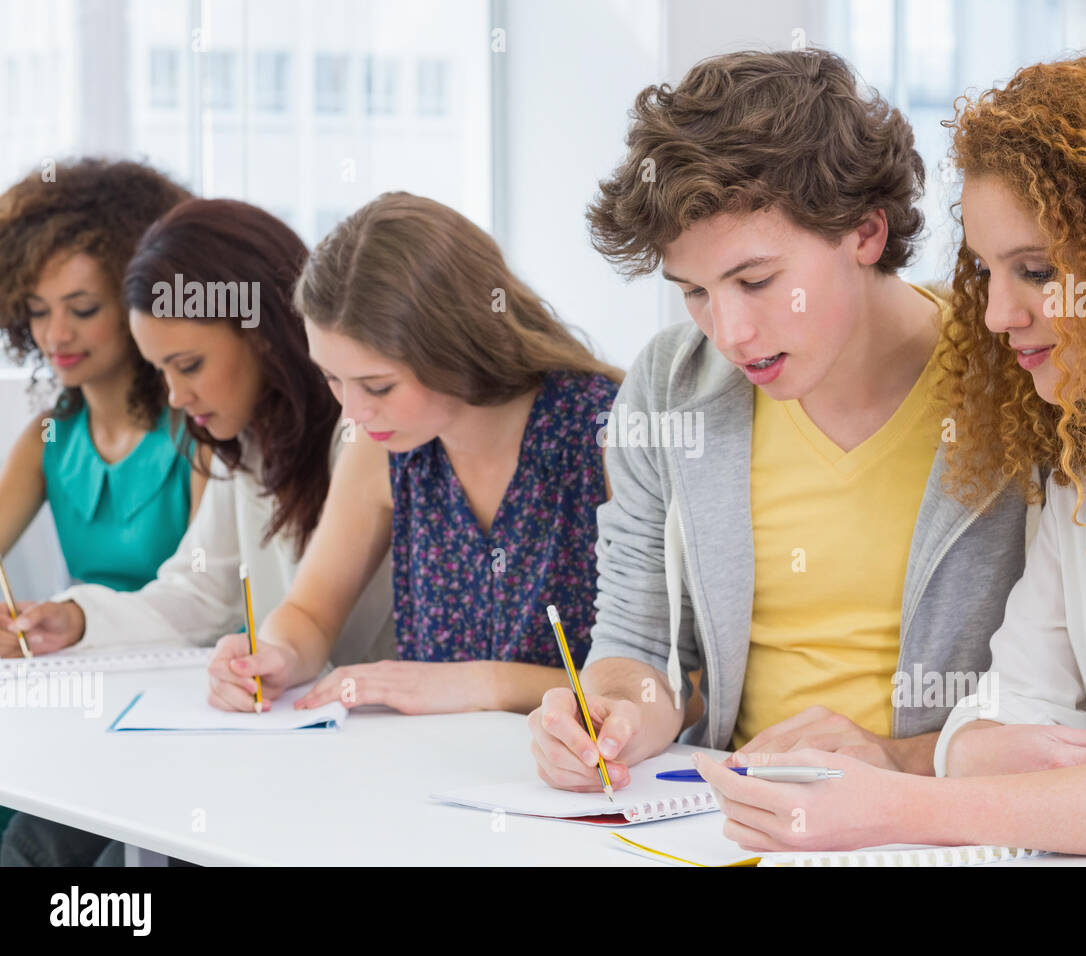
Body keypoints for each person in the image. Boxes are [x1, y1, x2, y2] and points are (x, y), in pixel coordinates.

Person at [696, 57, 1086, 858]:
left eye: (1037, 272)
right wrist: (954, 758)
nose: (995, 313)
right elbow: (1001, 715)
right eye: (986, 272)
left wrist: (900, 806)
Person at [528, 48, 1032, 793]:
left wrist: (900, 762)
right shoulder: (670, 387)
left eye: (756, 281)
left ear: (865, 232)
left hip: (947, 821)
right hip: (733, 814)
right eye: (694, 291)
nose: (728, 332)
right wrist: (610, 715)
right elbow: (637, 639)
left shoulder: (1015, 369)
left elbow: (1070, 698)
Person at [0, 198, 393, 866]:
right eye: (161, 372)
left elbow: (329, 628)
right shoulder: (248, 438)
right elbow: (201, 589)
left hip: (353, 745)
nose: (176, 398)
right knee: (46, 830)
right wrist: (75, 619)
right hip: (271, 726)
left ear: (264, 334)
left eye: (189, 365)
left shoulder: (366, 436)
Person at [203, 192, 623, 718]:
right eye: (332, 378)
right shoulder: (382, 448)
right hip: (431, 775)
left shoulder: (606, 436)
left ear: (459, 348)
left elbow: (678, 689)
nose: (352, 412)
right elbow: (309, 613)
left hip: (590, 780)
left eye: (377, 386)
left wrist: (484, 685)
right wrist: (276, 654)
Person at [0, 158, 201, 596]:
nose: (56, 335)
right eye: (37, 310)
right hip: (81, 654)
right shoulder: (48, 439)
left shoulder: (198, 431)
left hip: (190, 659)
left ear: (139, 305)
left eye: (84, 309)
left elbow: (208, 598)